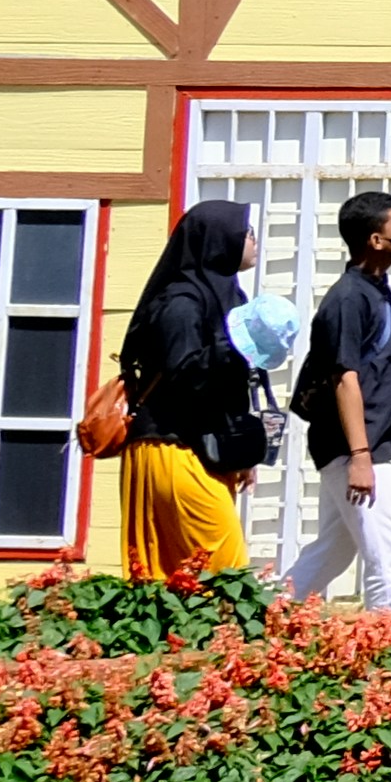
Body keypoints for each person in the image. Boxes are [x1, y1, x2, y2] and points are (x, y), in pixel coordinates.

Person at [113, 199, 271, 583]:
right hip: (172, 447)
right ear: (220, 240)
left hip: (206, 448)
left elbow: (228, 383)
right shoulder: (180, 303)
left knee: (187, 580)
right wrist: (233, 345)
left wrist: (240, 453)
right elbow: (184, 374)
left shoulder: (229, 299)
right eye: (246, 232)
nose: (253, 240)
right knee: (223, 573)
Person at [288, 191, 391, 609]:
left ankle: (264, 617)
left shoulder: (374, 289)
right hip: (357, 448)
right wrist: (360, 455)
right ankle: (390, 651)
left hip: (360, 445)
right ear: (375, 241)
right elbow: (344, 377)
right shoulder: (348, 298)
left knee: (335, 547)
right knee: (390, 555)